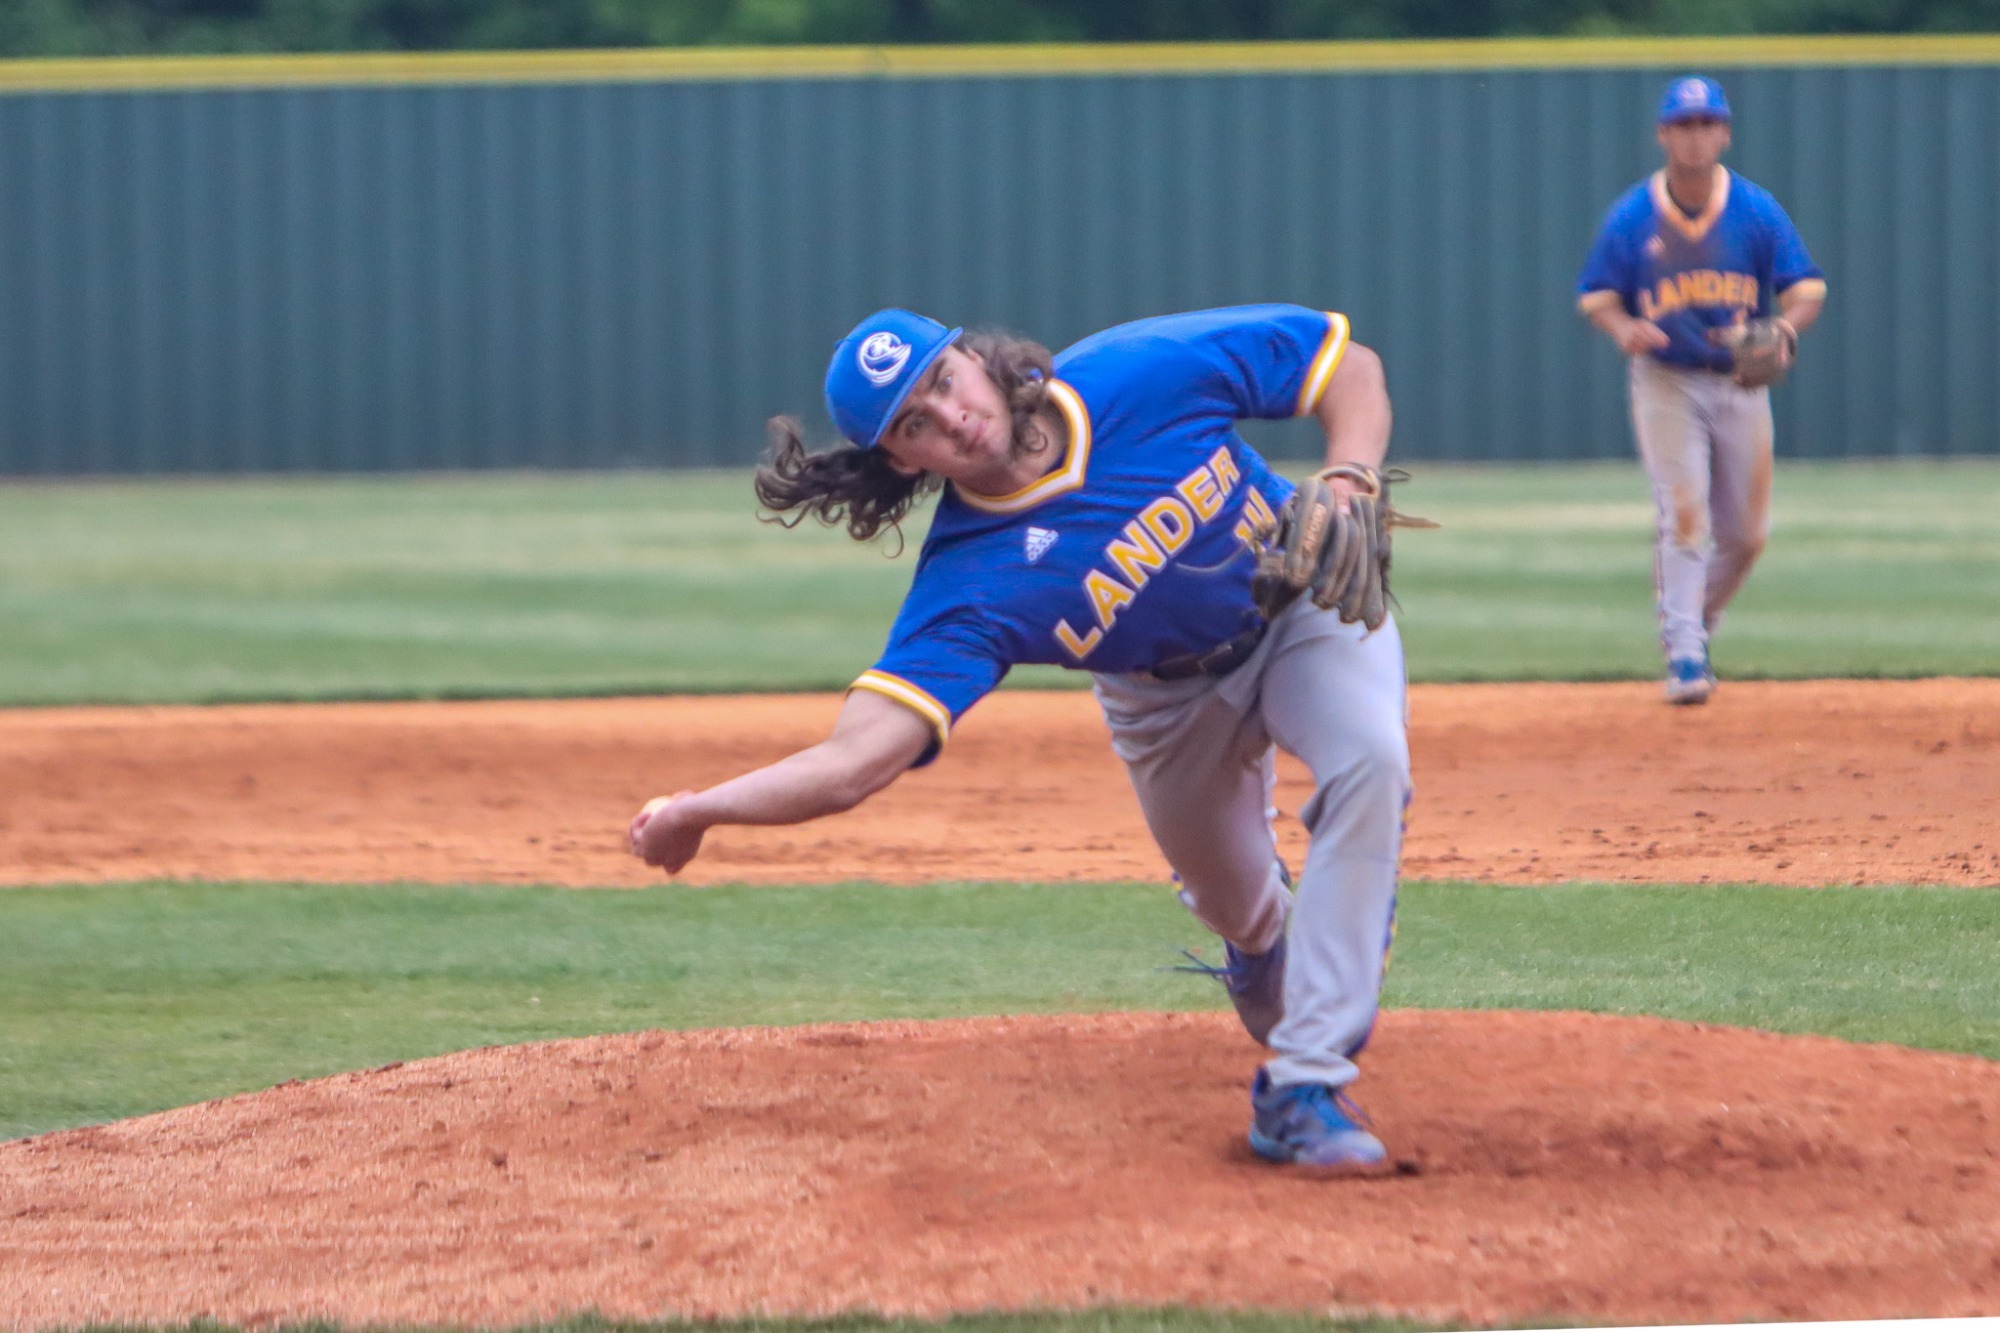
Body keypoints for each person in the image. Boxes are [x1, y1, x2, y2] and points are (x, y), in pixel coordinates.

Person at [628, 304, 1411, 1173]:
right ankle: (1259, 938)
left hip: (1305, 608)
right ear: (902, 460)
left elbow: (1347, 363)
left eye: (941, 379)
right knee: (1248, 924)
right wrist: (699, 808)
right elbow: (855, 761)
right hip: (1163, 704)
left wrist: (1349, 481)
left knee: (1371, 761)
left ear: (972, 357)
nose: (950, 415)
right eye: (914, 423)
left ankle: (1301, 1088)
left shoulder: (1139, 369)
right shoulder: (972, 581)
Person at [1576, 75, 1826, 705]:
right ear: (1664, 134)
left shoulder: (1755, 209)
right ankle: (1685, 652)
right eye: (1683, 125)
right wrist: (1623, 326)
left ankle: (1693, 625)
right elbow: (1596, 295)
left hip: (1740, 383)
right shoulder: (1634, 215)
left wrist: (1781, 329)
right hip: (1666, 382)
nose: (1695, 135)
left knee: (1745, 536)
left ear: (1725, 133)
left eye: (1706, 123)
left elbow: (1807, 289)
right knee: (1685, 519)